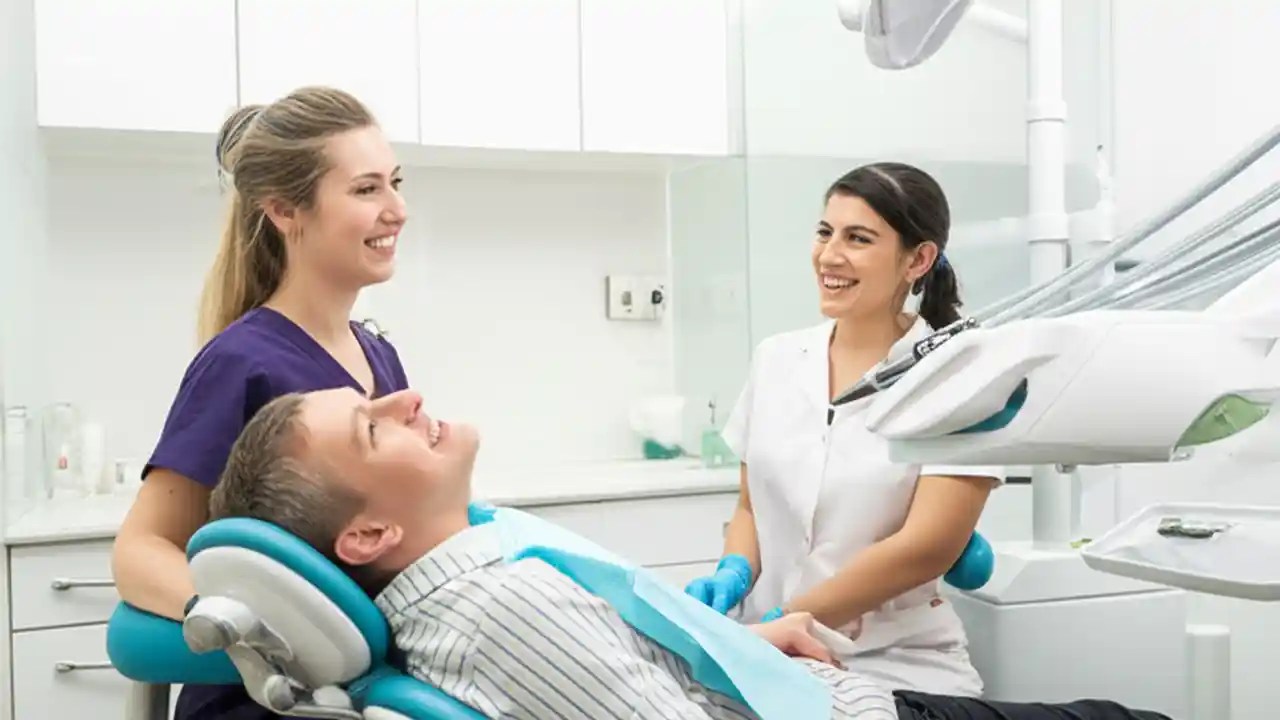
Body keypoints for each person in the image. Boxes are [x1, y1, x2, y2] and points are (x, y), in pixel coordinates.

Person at [207, 386, 1172, 720]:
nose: (404, 399)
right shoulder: (502, 610)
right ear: (369, 534)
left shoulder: (480, 562)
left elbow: (625, 670)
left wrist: (750, 637)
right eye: (373, 429)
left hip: (811, 681)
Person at [109, 85, 410, 720]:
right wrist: (289, 634)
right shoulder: (243, 363)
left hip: (371, 691)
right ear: (283, 210)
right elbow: (140, 552)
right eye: (366, 189)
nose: (397, 209)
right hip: (275, 702)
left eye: (395, 182)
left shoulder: (379, 357)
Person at [686, 162, 1003, 697]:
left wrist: (787, 619)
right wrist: (734, 572)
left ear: (918, 259)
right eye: (824, 231)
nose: (830, 255)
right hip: (773, 653)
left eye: (858, 238)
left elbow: (927, 547)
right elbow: (749, 507)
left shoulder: (959, 372)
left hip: (900, 666)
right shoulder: (777, 359)